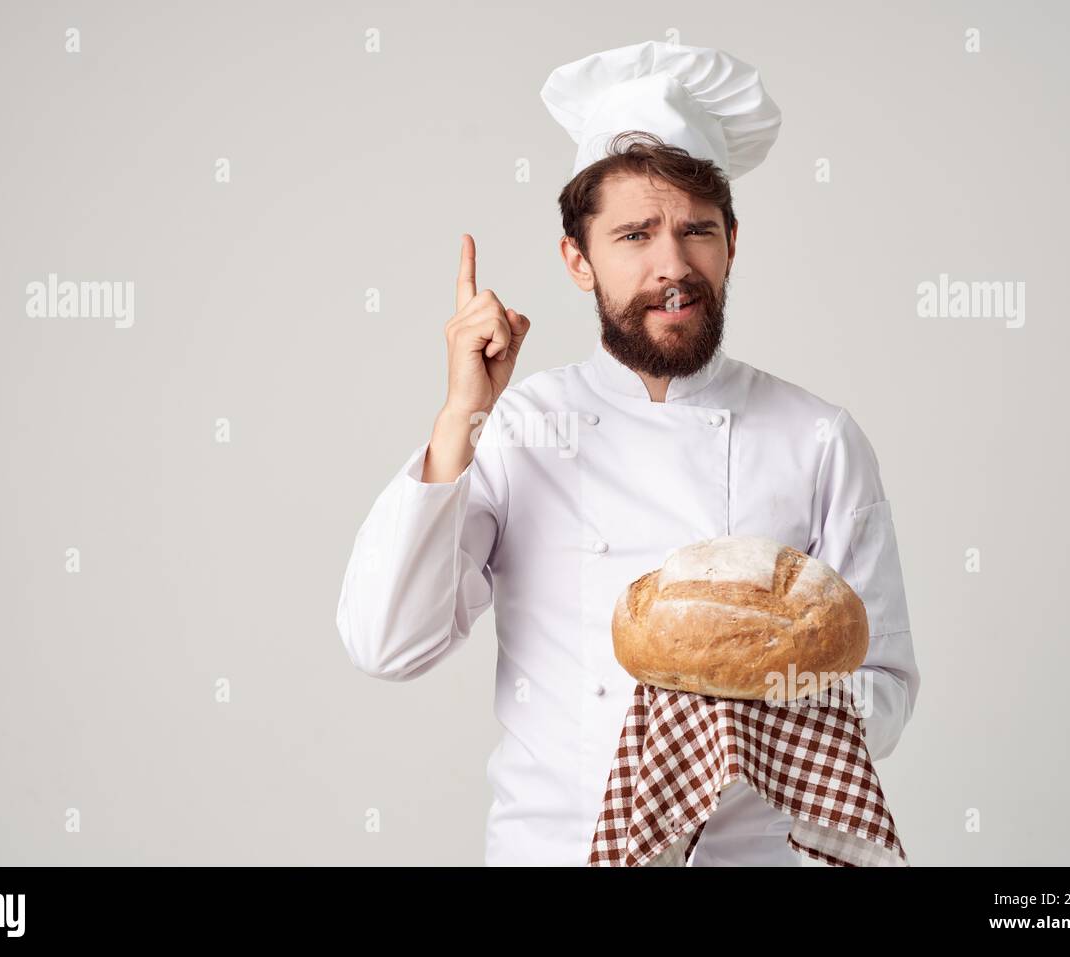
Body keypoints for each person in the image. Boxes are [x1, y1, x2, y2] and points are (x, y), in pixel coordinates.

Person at [336, 41, 920, 866]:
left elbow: (885, 690)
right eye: (636, 234)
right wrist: (460, 414)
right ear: (579, 259)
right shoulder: (516, 427)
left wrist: (747, 701)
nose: (672, 266)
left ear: (732, 243)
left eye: (696, 230)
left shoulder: (819, 438)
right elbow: (385, 642)